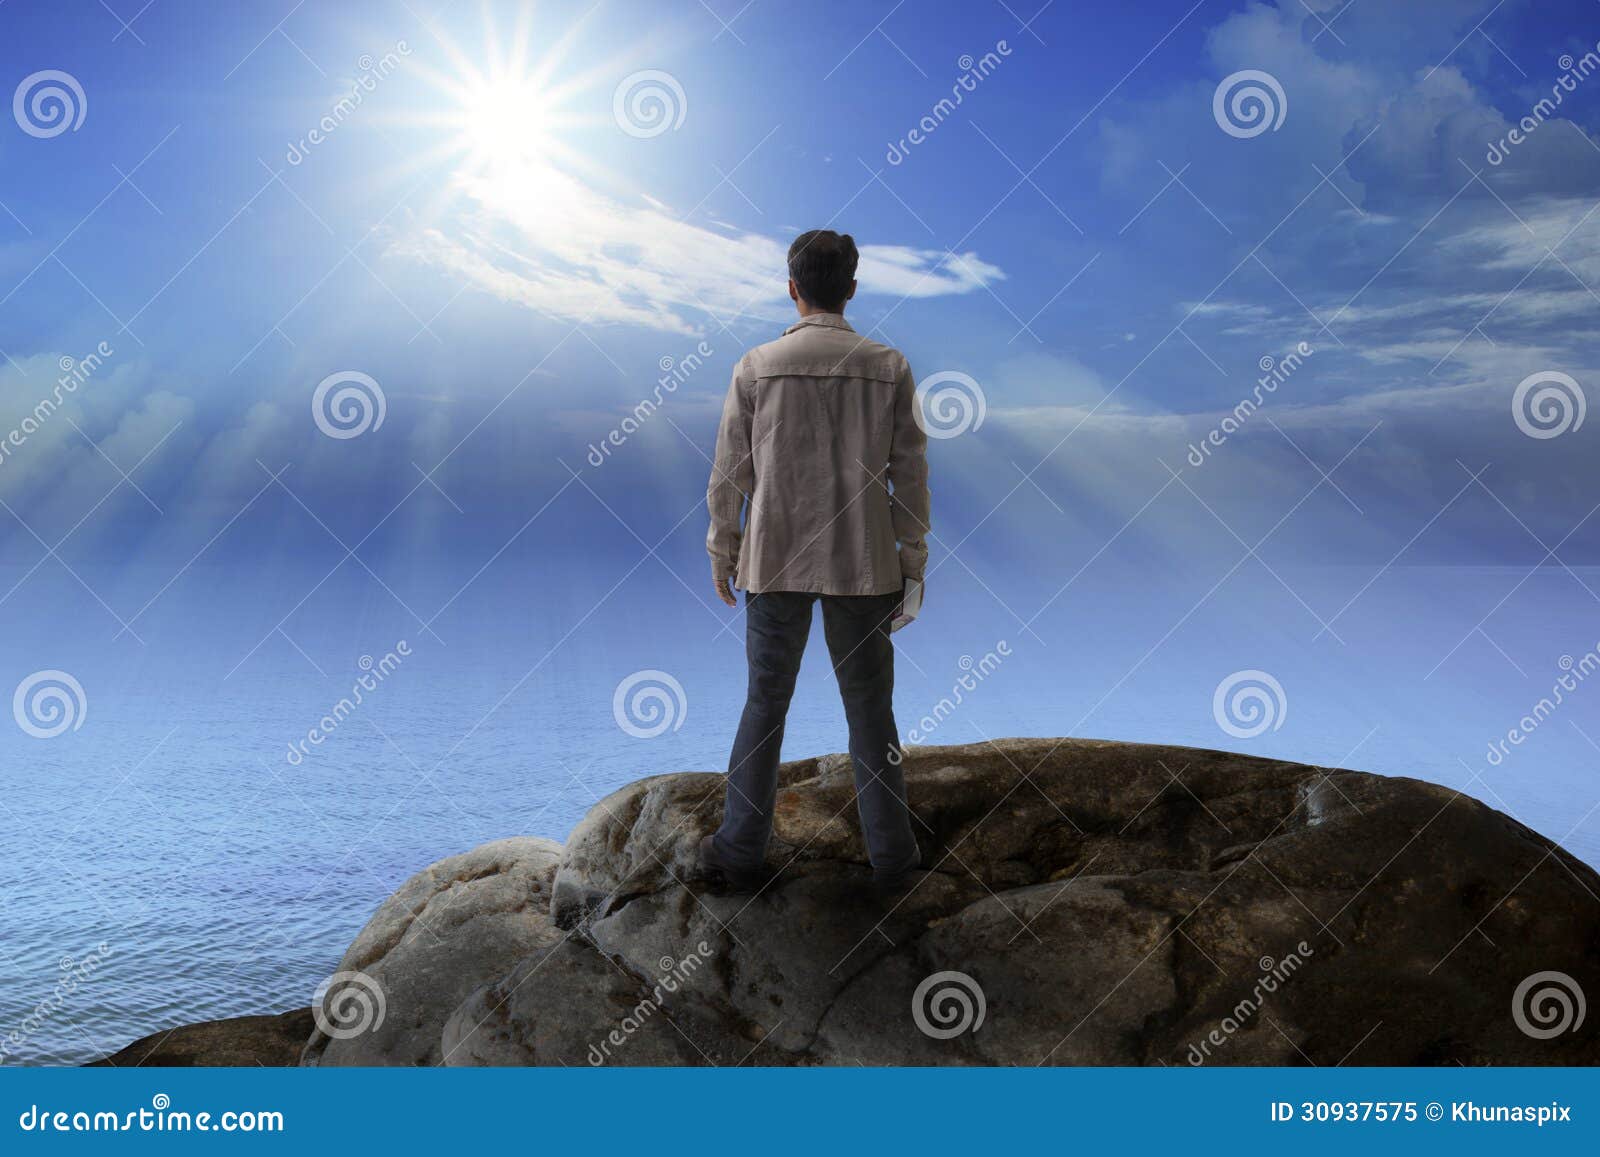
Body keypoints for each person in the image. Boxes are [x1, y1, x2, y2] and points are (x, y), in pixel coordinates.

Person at [700, 228, 930, 899]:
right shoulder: (888, 365)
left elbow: (728, 475)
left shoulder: (755, 366)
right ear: (851, 288)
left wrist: (723, 548)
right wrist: (912, 564)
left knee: (764, 705)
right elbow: (910, 479)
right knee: (872, 712)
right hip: (864, 560)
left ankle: (739, 851)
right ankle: (892, 860)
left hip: (771, 559)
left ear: (792, 286)